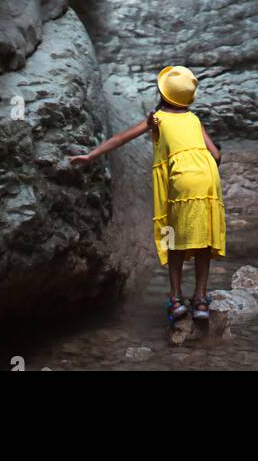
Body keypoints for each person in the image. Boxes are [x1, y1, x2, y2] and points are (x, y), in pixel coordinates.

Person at [70, 64, 225, 323]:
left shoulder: (157, 119)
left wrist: (90, 155)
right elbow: (216, 155)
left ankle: (176, 299)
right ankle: (200, 300)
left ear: (163, 94)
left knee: (173, 237)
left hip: (181, 178)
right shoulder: (194, 119)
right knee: (204, 239)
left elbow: (121, 138)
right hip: (208, 177)